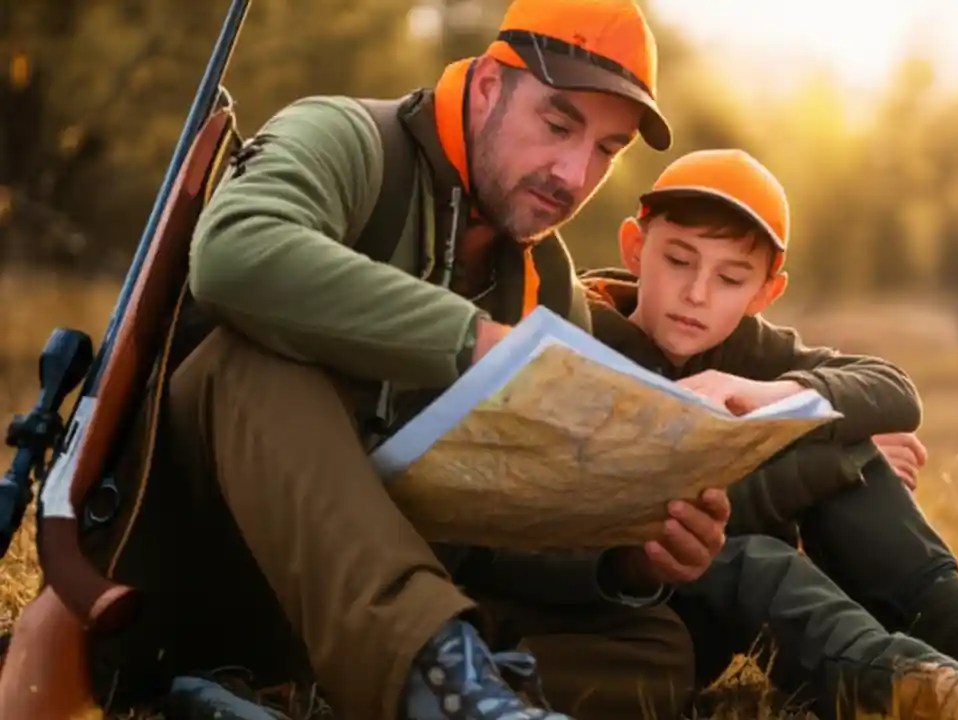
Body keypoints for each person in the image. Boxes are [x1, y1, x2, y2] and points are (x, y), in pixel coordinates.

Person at [97, 2, 730, 719]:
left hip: (359, 608)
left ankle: (330, 697)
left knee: (650, 652)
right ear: (490, 85)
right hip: (200, 563)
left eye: (606, 150)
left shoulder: (546, 286)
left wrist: (626, 557)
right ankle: (437, 689)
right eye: (558, 126)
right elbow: (234, 252)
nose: (573, 172)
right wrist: (473, 342)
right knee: (254, 357)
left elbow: (506, 521)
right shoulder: (346, 137)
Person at [579, 148, 958, 718]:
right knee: (771, 533)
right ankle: (946, 694)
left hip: (719, 608)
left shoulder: (742, 347)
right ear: (635, 248)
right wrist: (834, 456)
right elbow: (668, 522)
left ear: (763, 294)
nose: (698, 293)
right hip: (626, 616)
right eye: (678, 260)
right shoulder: (578, 336)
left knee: (834, 434)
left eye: (730, 278)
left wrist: (780, 396)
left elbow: (891, 386)